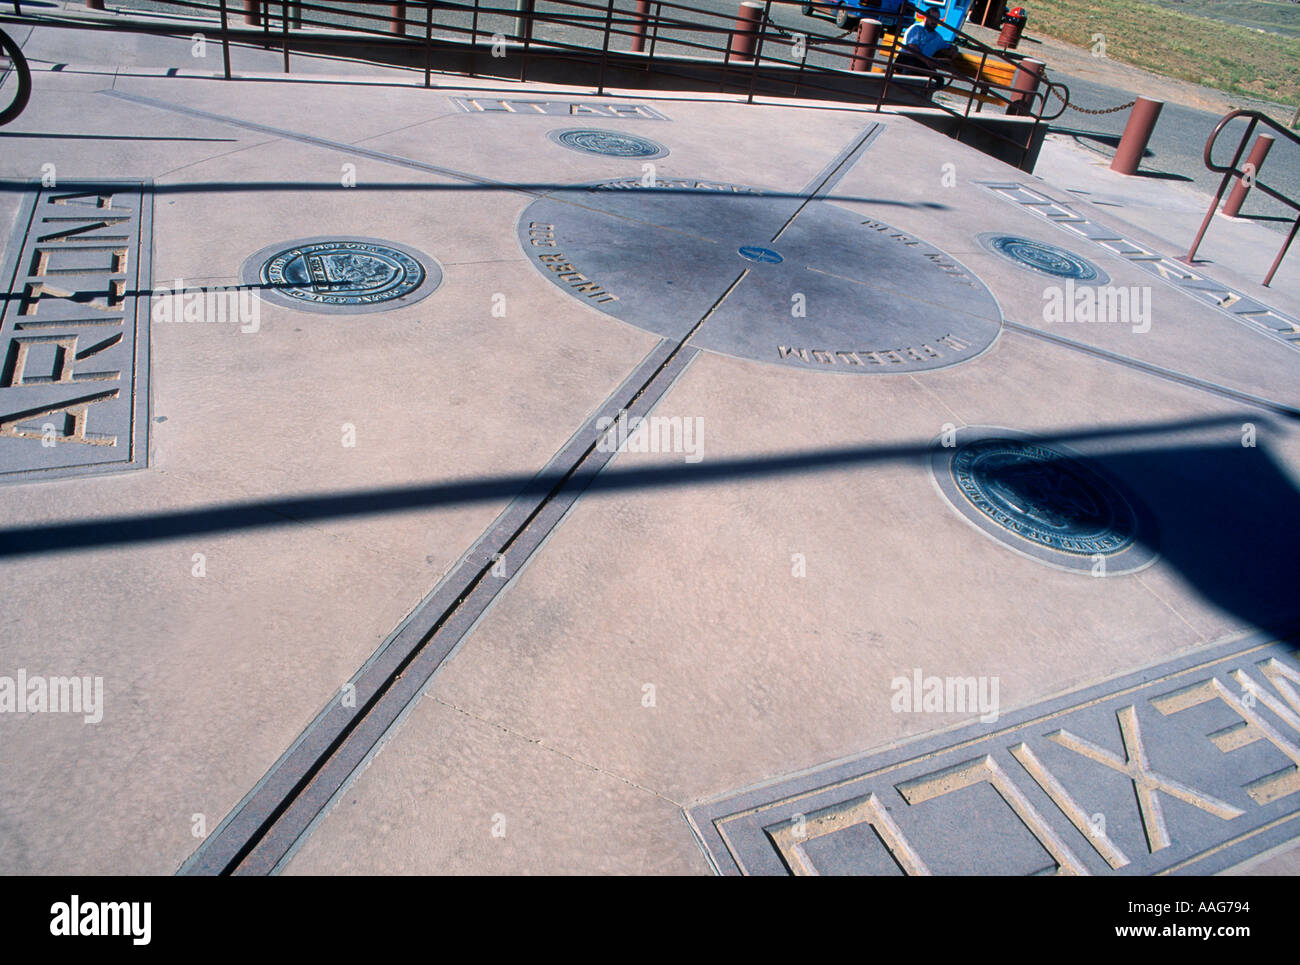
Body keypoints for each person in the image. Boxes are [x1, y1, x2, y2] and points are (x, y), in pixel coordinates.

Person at [896, 7, 957, 89]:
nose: (935, 22)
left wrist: (954, 49)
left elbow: (949, 46)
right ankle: (905, 94)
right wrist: (927, 60)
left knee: (939, 80)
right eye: (933, 18)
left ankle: (921, 98)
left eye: (937, 19)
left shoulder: (937, 37)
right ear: (925, 17)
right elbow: (912, 47)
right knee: (911, 71)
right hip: (907, 59)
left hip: (922, 63)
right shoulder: (916, 28)